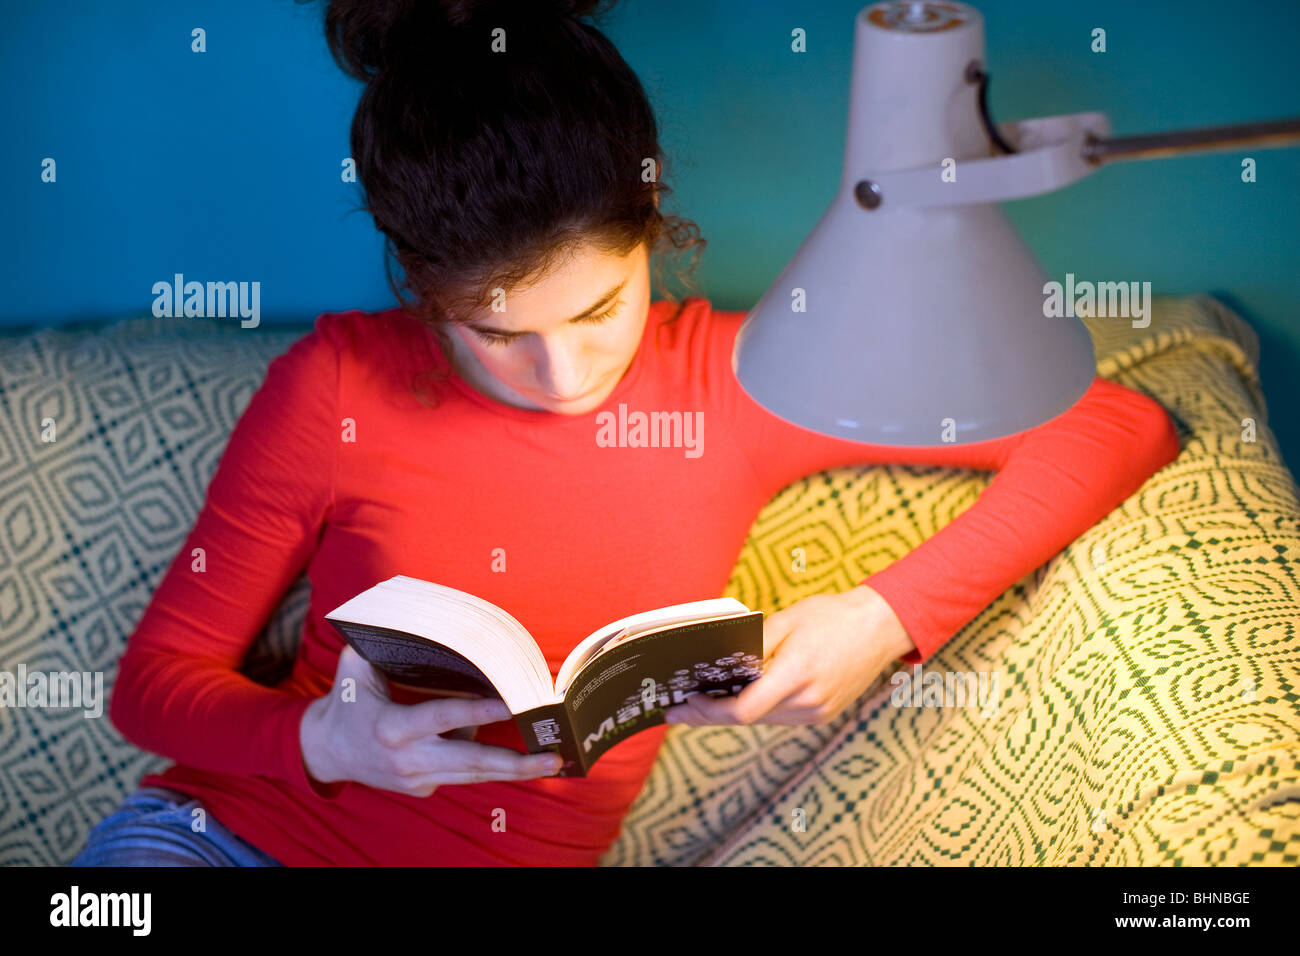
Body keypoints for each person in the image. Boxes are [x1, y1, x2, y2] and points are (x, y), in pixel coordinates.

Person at [70, 0, 1181, 866]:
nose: (564, 371)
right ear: (423, 291)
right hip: (222, 839)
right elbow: (153, 684)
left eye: (600, 308)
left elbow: (1112, 425)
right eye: (495, 331)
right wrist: (323, 741)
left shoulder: (740, 379)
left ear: (656, 229)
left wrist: (876, 619)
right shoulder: (335, 383)